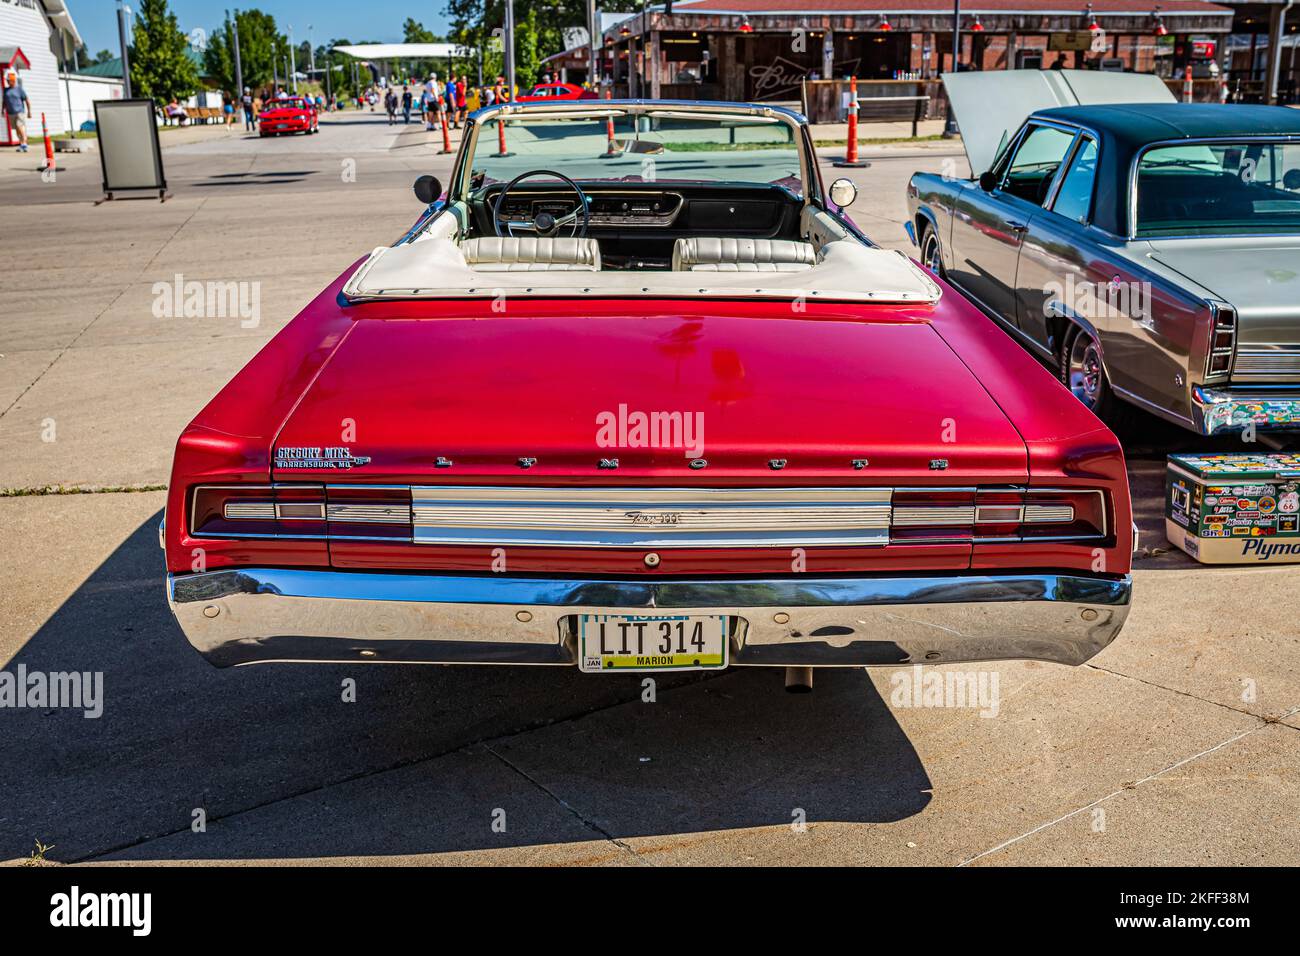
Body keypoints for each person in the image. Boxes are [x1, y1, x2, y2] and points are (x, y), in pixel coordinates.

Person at [3, 71, 31, 152]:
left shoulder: (19, 89)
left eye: (9, 80)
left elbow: (27, 100)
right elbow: (4, 101)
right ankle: (21, 144)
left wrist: (29, 112)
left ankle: (25, 143)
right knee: (16, 129)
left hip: (19, 112)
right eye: (7, 80)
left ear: (13, 80)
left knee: (19, 126)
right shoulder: (6, 90)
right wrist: (2, 110)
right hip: (11, 113)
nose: (7, 82)